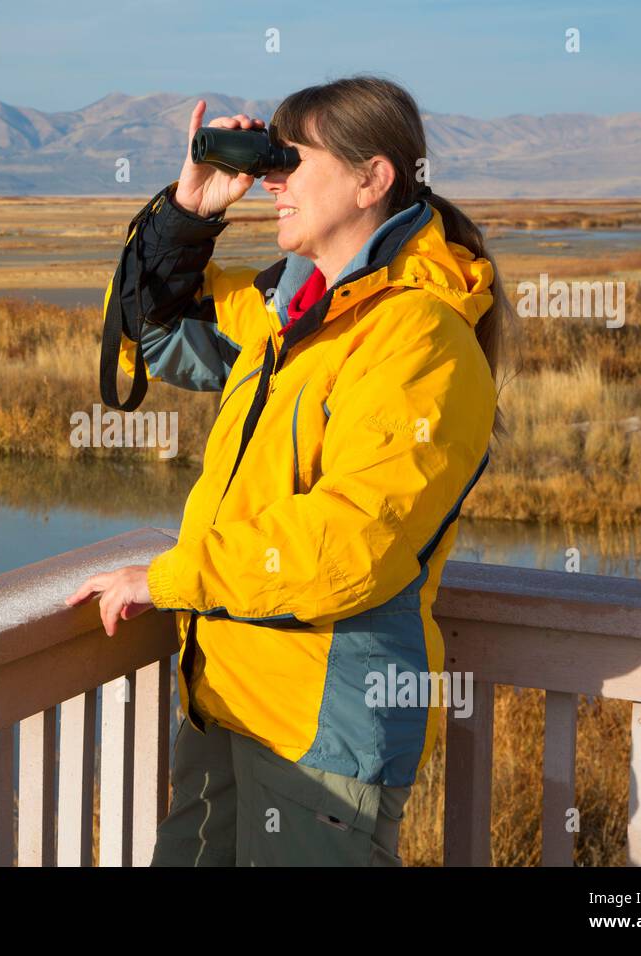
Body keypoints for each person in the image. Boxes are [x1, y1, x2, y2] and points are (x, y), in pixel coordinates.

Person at [65, 75, 509, 866]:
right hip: (228, 699)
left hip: (321, 731)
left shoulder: (418, 338)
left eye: (291, 161)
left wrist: (168, 580)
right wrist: (188, 214)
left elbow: (352, 542)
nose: (272, 180)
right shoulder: (291, 312)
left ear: (373, 179)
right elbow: (149, 337)